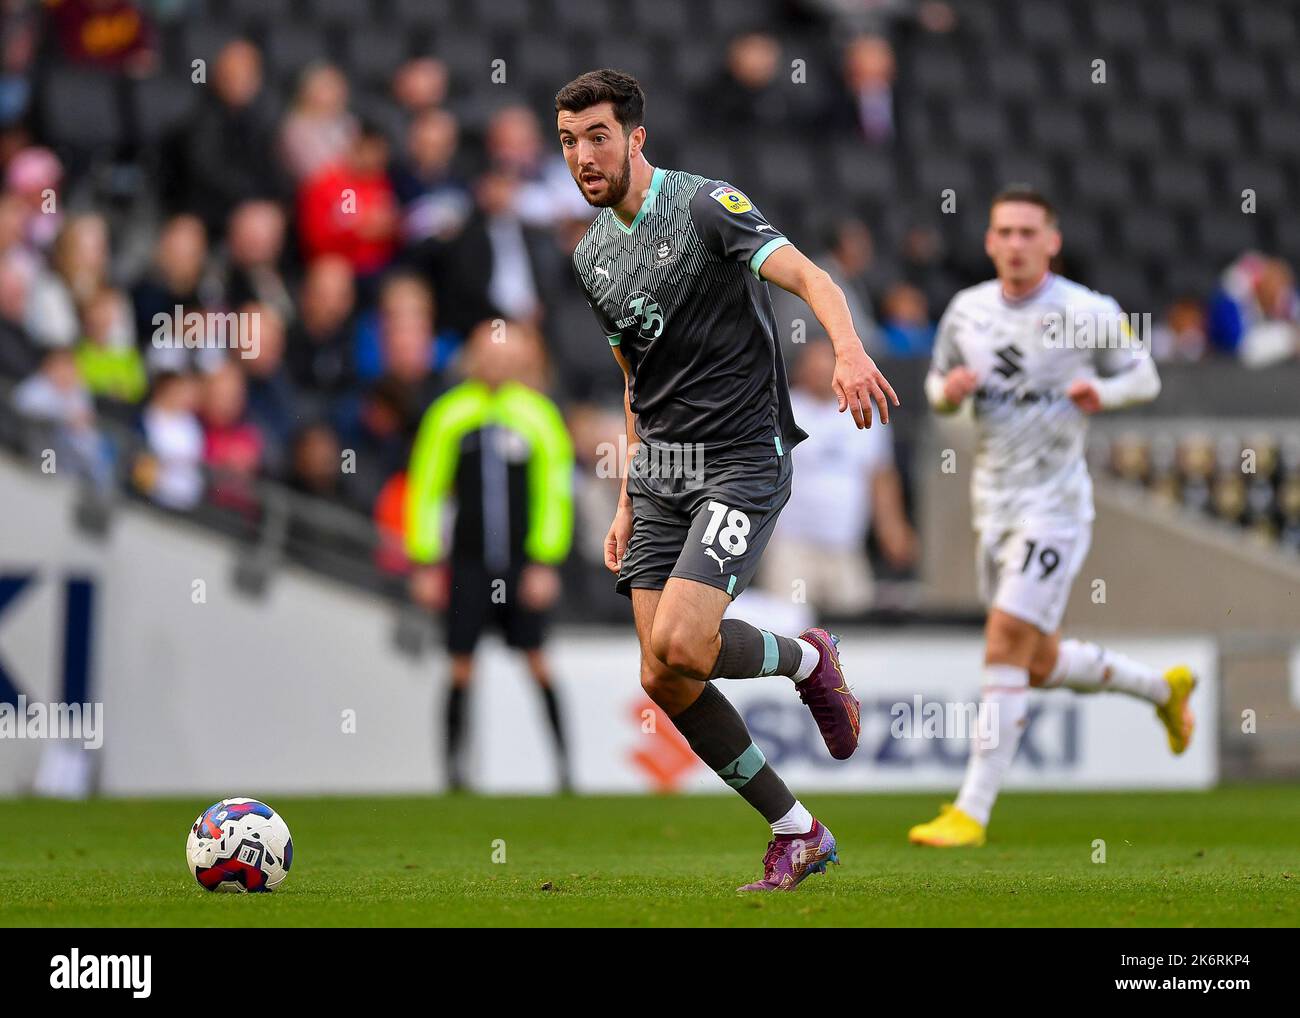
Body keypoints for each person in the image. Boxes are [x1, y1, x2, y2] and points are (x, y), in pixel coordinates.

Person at [556, 69, 898, 891]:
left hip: (742, 458)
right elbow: (634, 380)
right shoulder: (590, 255)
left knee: (681, 642)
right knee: (662, 673)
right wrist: (630, 495)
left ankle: (806, 660)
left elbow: (814, 277)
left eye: (597, 136)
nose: (582, 156)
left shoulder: (706, 205)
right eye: (568, 141)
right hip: (665, 470)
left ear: (636, 137)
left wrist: (847, 351)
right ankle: (798, 829)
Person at [910, 187, 1193, 848]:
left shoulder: (1085, 312)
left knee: (1004, 641)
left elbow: (1145, 375)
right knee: (1034, 663)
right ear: (988, 241)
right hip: (993, 504)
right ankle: (1162, 691)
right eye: (1004, 232)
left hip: (1055, 505)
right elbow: (935, 386)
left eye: (1028, 232)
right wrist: (946, 395)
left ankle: (970, 812)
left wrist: (1106, 390)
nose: (1015, 244)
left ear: (1052, 241)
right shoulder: (967, 311)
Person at [405, 321, 575, 792]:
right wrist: (424, 560)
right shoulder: (450, 414)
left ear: (522, 361)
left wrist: (544, 560)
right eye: (489, 355)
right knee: (461, 663)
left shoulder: (537, 414)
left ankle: (565, 771)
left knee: (538, 659)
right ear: (473, 359)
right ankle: (453, 775)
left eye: (507, 356)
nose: (498, 364)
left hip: (522, 565)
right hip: (468, 563)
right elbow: (426, 490)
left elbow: (554, 493)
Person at [759, 338, 915, 617]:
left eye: (826, 363)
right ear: (800, 368)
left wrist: (893, 529)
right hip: (792, 545)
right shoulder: (782, 409)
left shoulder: (863, 410)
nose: (820, 371)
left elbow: (880, 477)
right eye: (813, 363)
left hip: (845, 546)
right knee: (788, 625)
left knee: (856, 627)